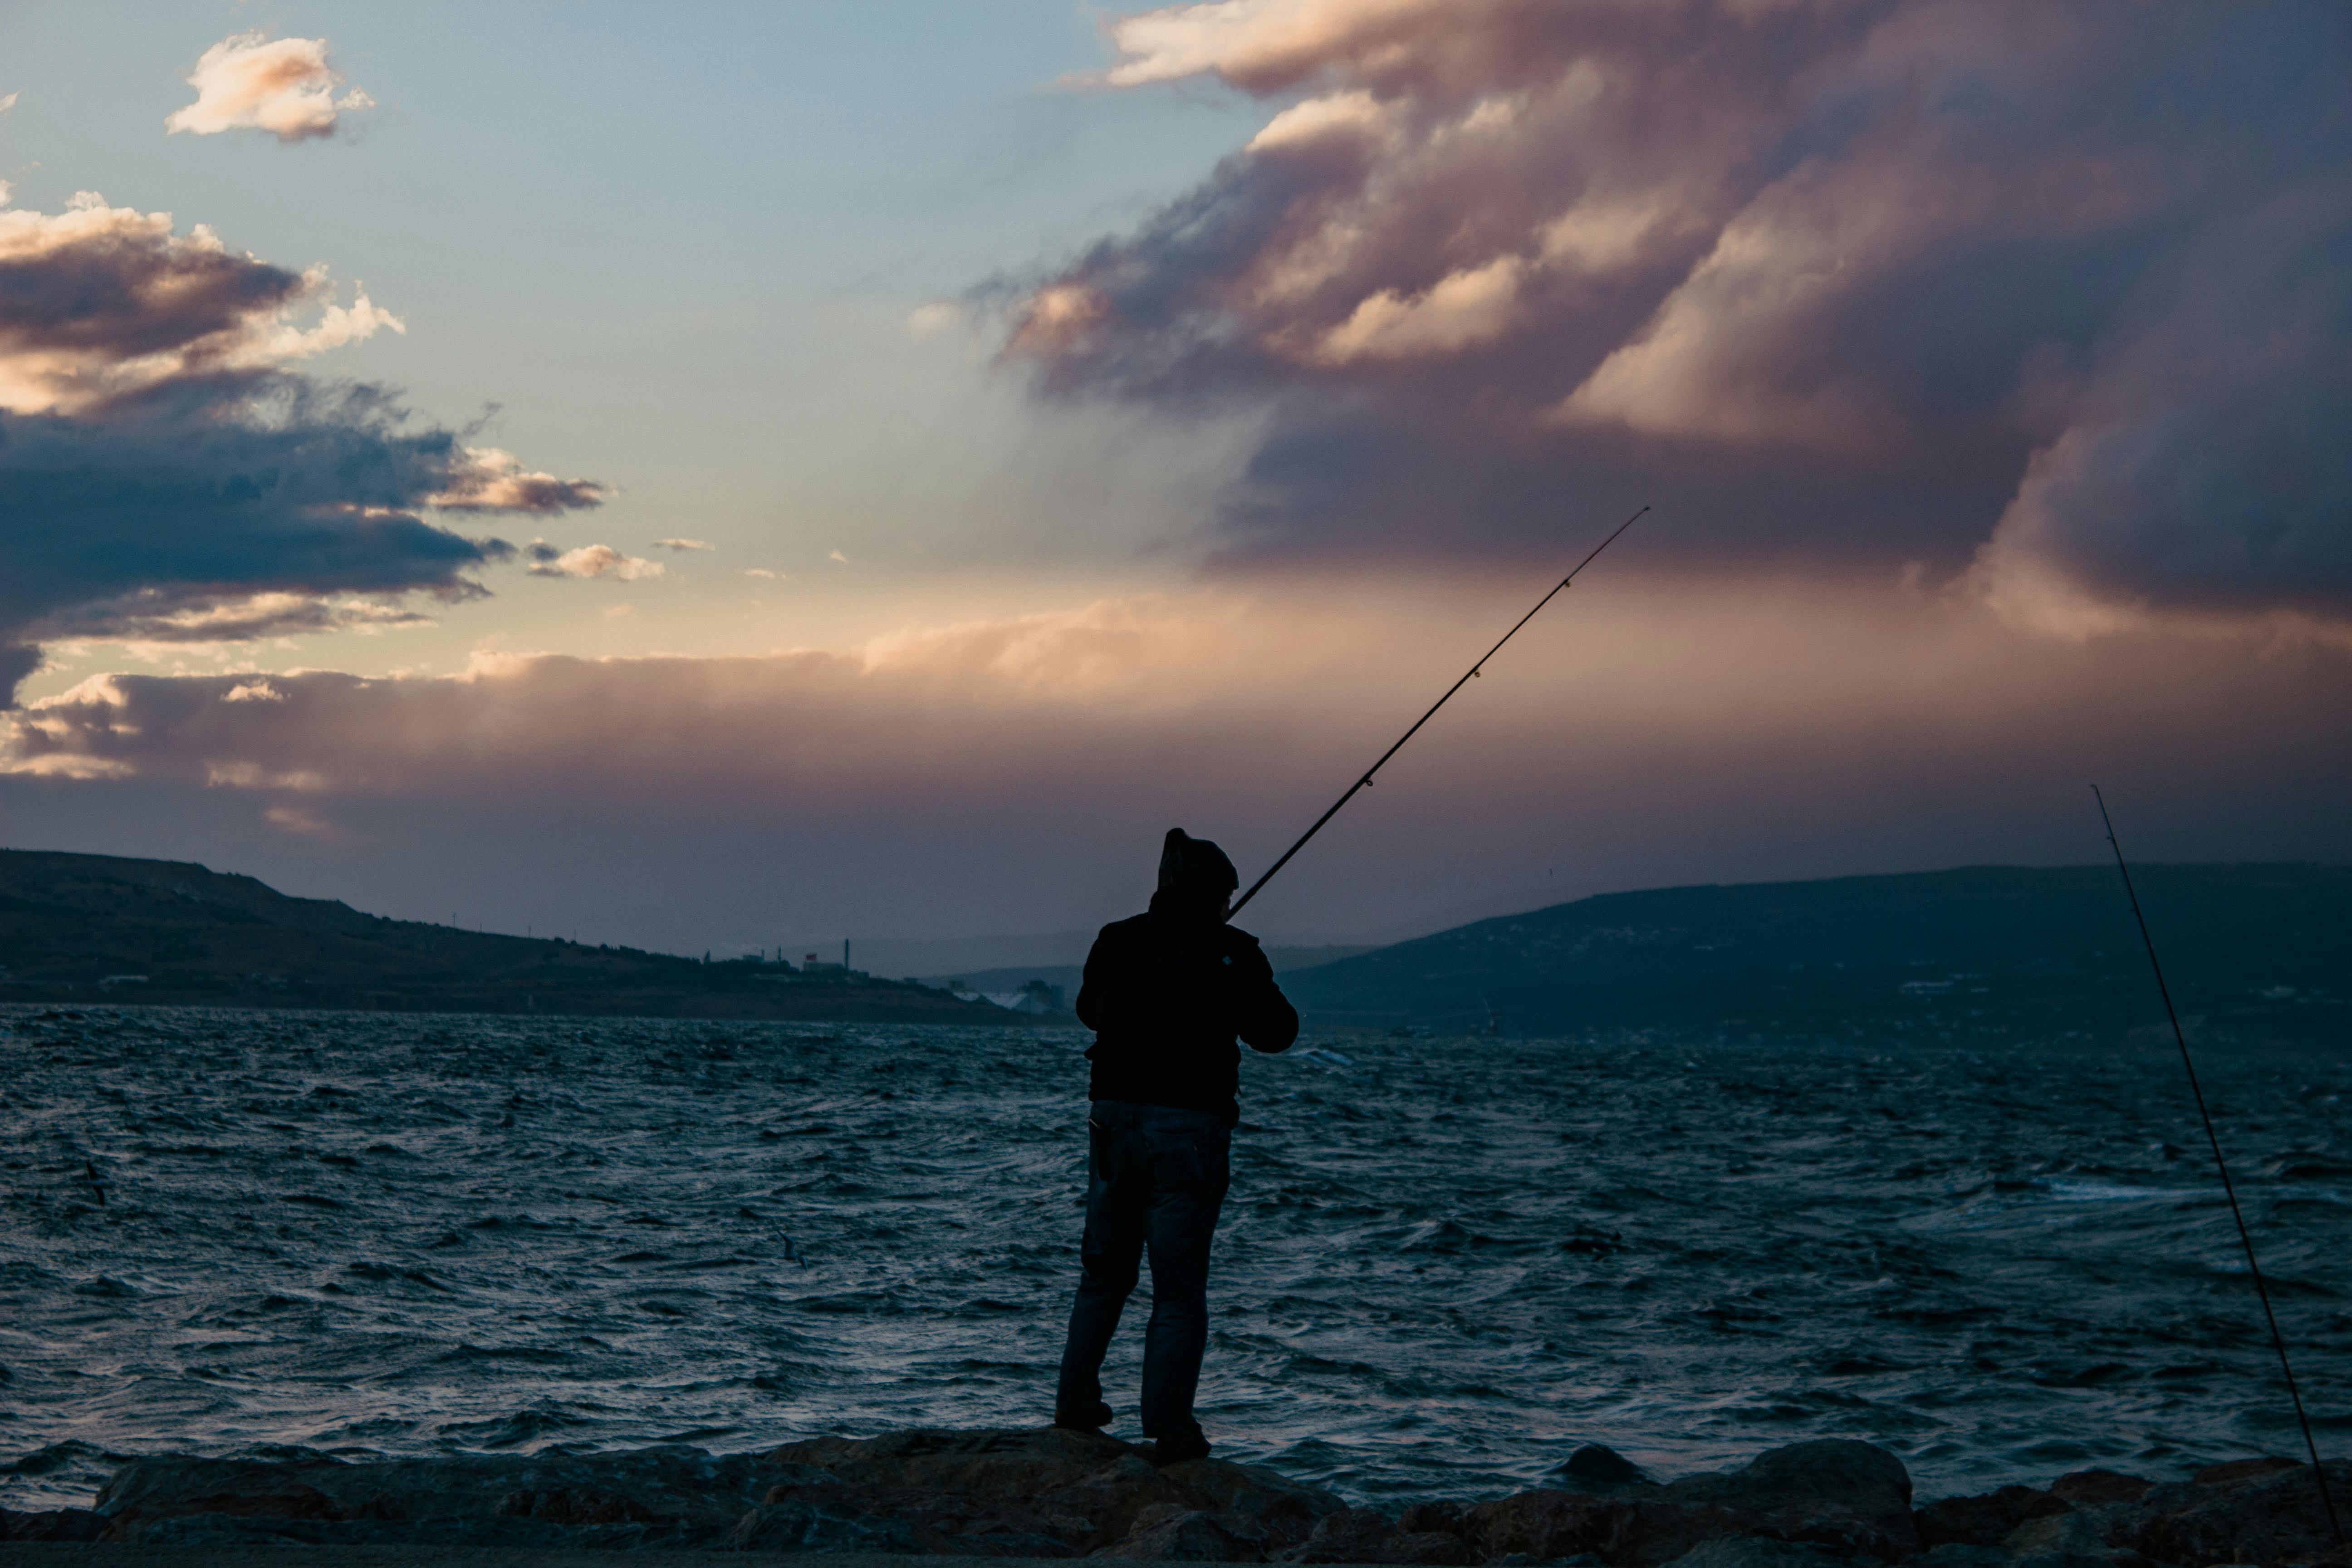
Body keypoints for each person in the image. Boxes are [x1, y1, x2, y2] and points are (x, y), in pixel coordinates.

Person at [1052, 828, 1300, 1465]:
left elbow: (1089, 1012)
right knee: (1178, 1290)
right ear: (1217, 896)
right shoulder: (1231, 950)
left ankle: (1075, 1403)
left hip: (1111, 1120)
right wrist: (1223, 962)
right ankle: (1170, 1429)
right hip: (1189, 1130)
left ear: (1164, 887)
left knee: (1103, 1274)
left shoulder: (1114, 939)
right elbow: (1277, 1032)